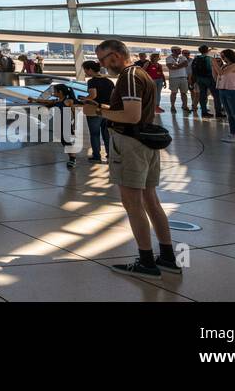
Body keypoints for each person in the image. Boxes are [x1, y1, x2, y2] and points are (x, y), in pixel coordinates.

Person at [85, 39, 180, 279]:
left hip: (130, 145)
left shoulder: (128, 77)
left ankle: (146, 262)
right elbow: (132, 111)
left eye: (102, 60)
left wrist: (97, 111)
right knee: (151, 201)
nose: (102, 65)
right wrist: (107, 107)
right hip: (146, 144)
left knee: (133, 204)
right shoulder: (141, 73)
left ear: (115, 56)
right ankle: (168, 257)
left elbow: (131, 115)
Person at [28, 81, 81, 168]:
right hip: (59, 123)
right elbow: (45, 101)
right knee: (64, 142)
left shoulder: (68, 101)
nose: (53, 93)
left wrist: (75, 123)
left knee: (67, 142)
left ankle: (73, 159)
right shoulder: (58, 101)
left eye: (55, 91)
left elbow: (74, 112)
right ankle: (71, 157)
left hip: (66, 124)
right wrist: (34, 100)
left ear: (60, 92)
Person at [82, 60, 113, 162]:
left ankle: (96, 155)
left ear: (90, 70)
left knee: (95, 134)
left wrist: (84, 99)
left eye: (85, 70)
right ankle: (110, 155)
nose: (85, 72)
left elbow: (93, 95)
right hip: (107, 110)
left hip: (94, 110)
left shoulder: (92, 81)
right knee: (106, 134)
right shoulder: (109, 81)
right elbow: (113, 96)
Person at [217, 49, 235, 143]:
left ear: (228, 56)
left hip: (232, 91)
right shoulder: (225, 66)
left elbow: (221, 73)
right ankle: (233, 133)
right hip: (223, 89)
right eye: (221, 56)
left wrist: (213, 63)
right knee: (229, 114)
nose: (222, 58)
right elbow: (218, 75)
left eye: (223, 56)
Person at [192, 45, 217, 117]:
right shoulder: (210, 58)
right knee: (216, 95)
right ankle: (218, 111)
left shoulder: (196, 58)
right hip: (208, 78)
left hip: (199, 79)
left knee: (202, 95)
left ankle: (204, 112)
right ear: (206, 50)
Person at [165, 46, 191, 113]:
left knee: (184, 93)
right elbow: (171, 67)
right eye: (179, 50)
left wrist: (176, 65)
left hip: (183, 77)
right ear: (174, 51)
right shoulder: (168, 58)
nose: (180, 51)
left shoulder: (183, 57)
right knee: (174, 93)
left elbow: (186, 64)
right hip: (174, 78)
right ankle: (172, 106)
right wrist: (180, 65)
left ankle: (185, 106)